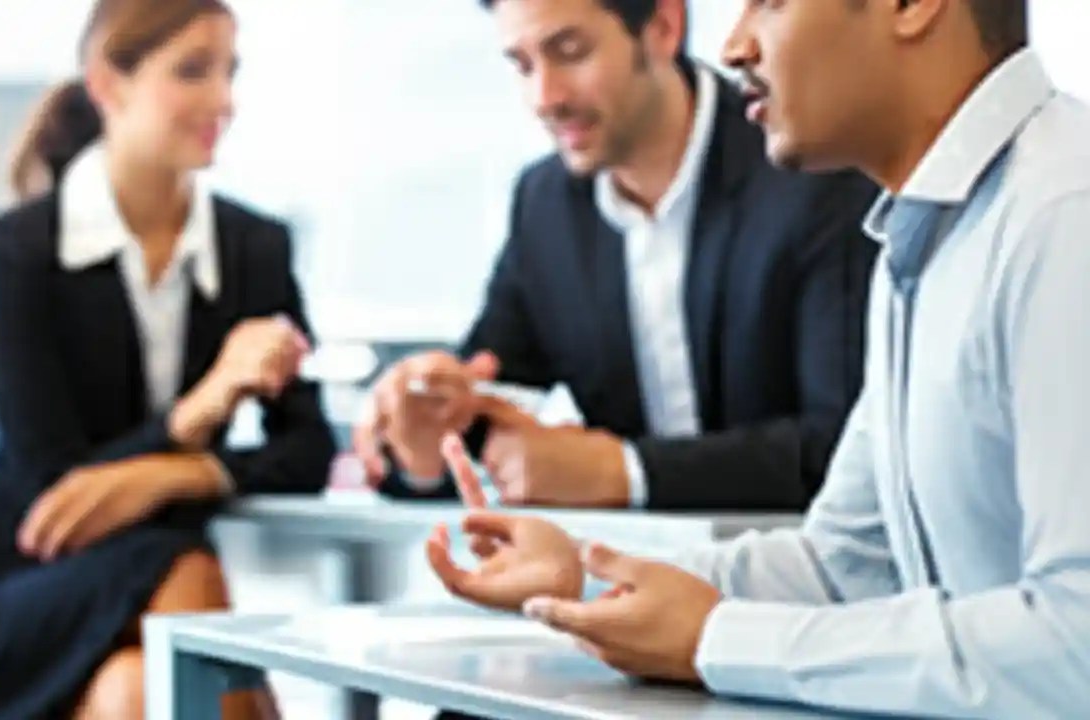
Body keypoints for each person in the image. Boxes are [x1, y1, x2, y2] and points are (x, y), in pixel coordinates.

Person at [426, 0, 1090, 717]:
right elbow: (842, 567)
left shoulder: (1063, 216)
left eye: (769, 1)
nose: (736, 44)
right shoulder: (925, 236)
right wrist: (580, 573)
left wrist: (719, 640)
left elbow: (1077, 645)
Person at [0, 1, 336, 718]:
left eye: (230, 71)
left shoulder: (255, 249)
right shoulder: (17, 252)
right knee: (186, 573)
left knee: (133, 692)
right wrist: (199, 409)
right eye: (192, 71)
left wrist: (178, 470)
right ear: (108, 85)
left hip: (144, 604)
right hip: (4, 593)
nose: (223, 99)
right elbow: (57, 495)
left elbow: (309, 448)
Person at [354, 0, 878, 512]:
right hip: (636, 580)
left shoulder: (807, 168)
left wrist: (621, 471)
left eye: (570, 51)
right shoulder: (546, 204)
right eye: (522, 64)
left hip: (810, 579)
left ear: (662, 27)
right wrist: (426, 435)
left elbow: (846, 445)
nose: (544, 97)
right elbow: (486, 396)